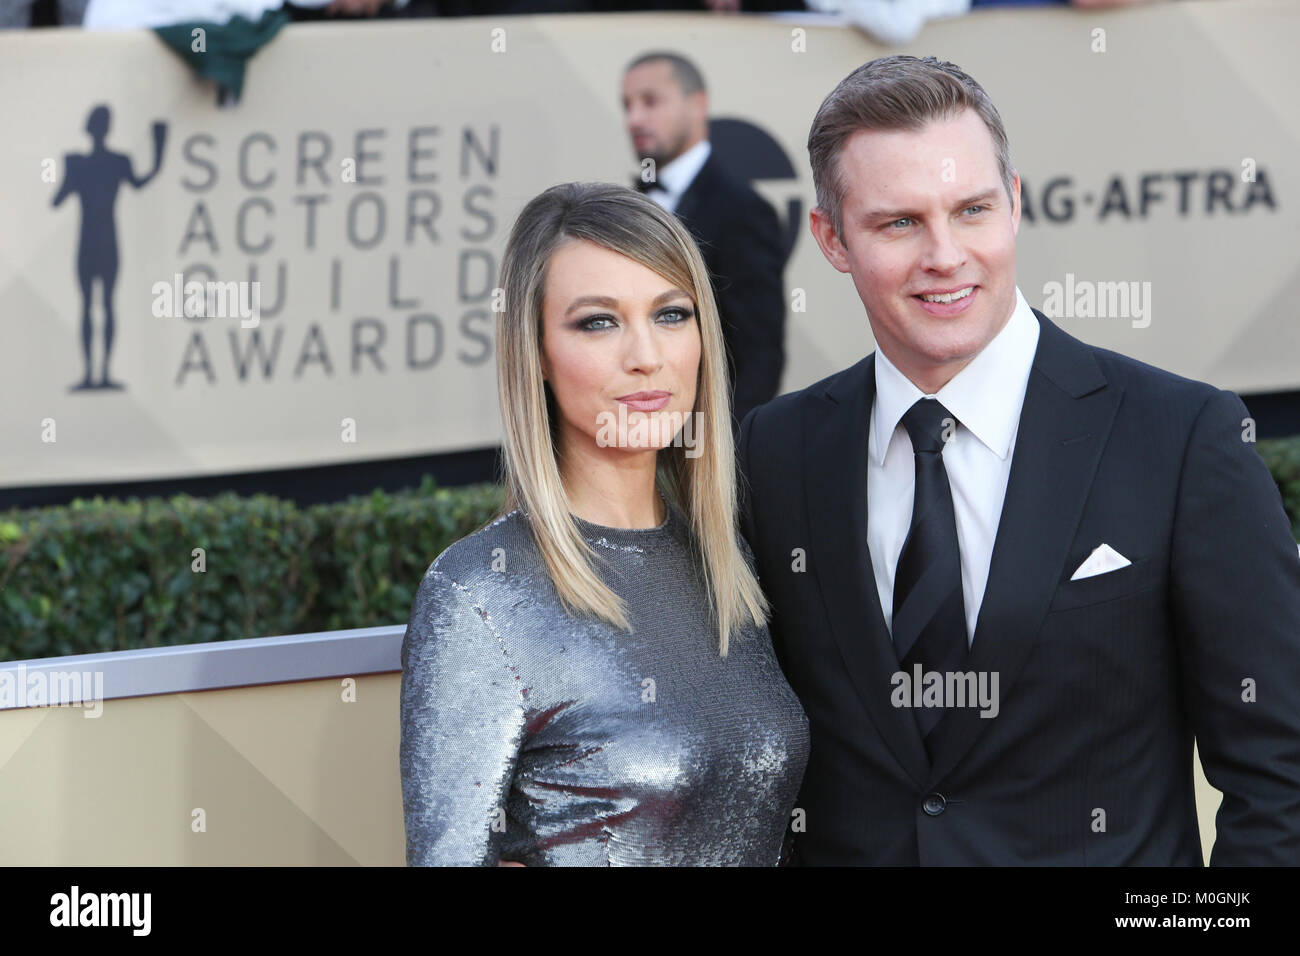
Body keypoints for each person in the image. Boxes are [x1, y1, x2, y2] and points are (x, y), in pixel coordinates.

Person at [738, 55, 1300, 865]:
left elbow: (1279, 772)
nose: (945, 255)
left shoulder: (1180, 437)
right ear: (831, 239)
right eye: (899, 223)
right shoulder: (778, 450)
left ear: (1016, 205)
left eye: (971, 210)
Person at [400, 182, 809, 866]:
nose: (645, 355)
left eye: (672, 315)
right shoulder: (481, 594)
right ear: (535, 355)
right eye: (598, 321)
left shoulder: (732, 563)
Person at [623, 51, 787, 430]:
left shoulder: (743, 210)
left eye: (650, 102)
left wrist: (722, 452)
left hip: (702, 437)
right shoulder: (630, 201)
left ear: (697, 105)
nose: (634, 119)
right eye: (627, 105)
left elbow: (760, 353)